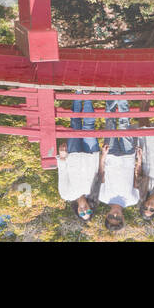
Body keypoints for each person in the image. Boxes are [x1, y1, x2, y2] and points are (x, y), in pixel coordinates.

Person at [99, 92, 142, 231]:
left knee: (110, 124)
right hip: (128, 156)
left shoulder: (103, 197)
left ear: (107, 215)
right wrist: (139, 160)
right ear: (123, 218)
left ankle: (112, 95)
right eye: (118, 218)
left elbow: (101, 175)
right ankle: (122, 95)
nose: (115, 215)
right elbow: (136, 178)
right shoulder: (133, 200)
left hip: (110, 156)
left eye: (112, 217)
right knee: (125, 124)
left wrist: (103, 156)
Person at [57, 93, 102, 223]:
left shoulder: (66, 195)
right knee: (89, 126)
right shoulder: (93, 192)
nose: (84, 210)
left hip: (74, 156)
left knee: (75, 125)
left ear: (76, 211)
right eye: (88, 212)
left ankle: (77, 94)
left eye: (82, 213)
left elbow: (63, 173)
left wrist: (63, 158)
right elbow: (100, 172)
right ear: (91, 208)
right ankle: (87, 96)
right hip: (91, 155)